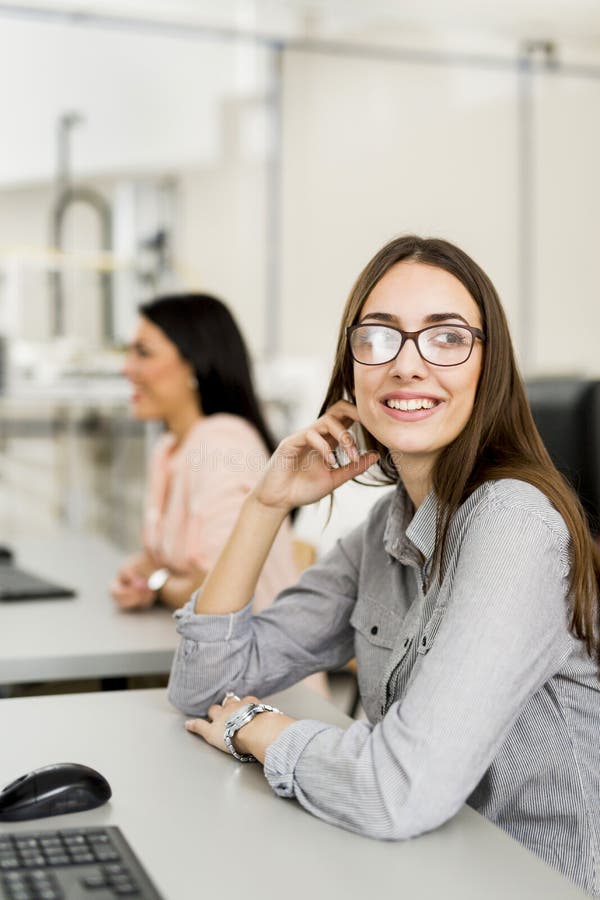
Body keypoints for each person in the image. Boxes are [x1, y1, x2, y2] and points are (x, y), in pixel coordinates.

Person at [169, 237, 600, 895]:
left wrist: (258, 729)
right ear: (352, 366)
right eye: (379, 337)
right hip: (425, 867)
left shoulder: (515, 522)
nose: (407, 364)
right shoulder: (388, 529)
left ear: (489, 366)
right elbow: (204, 684)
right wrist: (266, 502)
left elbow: (401, 791)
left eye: (447, 338)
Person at [110, 292, 299, 613]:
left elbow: (217, 588)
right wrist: (138, 570)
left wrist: (155, 584)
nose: (127, 369)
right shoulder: (169, 447)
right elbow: (167, 559)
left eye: (144, 353)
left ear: (194, 363)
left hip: (260, 658)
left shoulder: (221, 446)